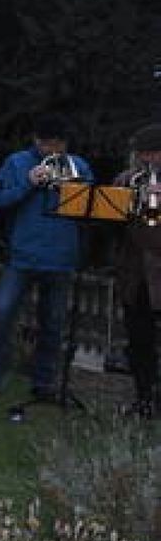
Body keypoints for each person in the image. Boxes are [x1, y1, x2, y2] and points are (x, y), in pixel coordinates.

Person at [0, 114, 93, 400]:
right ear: (36, 141)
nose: (53, 151)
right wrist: (28, 183)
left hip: (61, 256)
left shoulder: (79, 165)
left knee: (53, 323)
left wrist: (69, 186)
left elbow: (90, 207)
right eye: (48, 145)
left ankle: (44, 384)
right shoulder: (16, 162)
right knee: (2, 316)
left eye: (59, 145)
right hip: (22, 256)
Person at [113, 122, 161, 418]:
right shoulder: (126, 180)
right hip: (136, 275)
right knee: (139, 339)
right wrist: (129, 197)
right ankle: (144, 397)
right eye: (144, 155)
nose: (149, 161)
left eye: (154, 155)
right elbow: (113, 226)